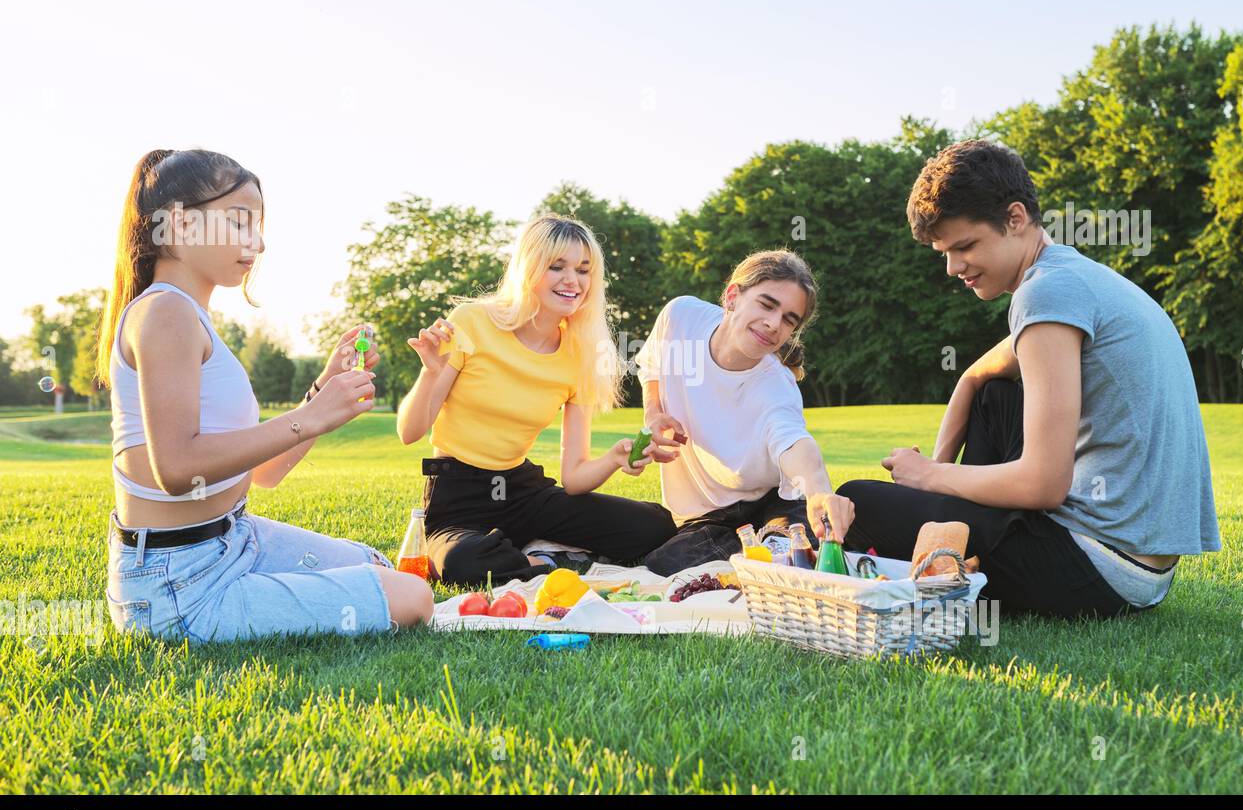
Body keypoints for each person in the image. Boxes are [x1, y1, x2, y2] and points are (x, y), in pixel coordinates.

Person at [836, 139, 1220, 617]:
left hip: (1100, 569)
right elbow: (976, 378)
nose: (954, 267)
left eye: (965, 246)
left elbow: (1044, 485)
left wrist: (930, 474)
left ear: (1015, 218)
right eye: (944, 253)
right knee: (995, 397)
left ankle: (954, 559)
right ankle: (959, 538)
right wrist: (933, 483)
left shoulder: (1046, 293)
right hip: (1143, 568)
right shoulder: (1074, 277)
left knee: (855, 501)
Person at [100, 150, 434, 643]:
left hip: (234, 539)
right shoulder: (165, 313)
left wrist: (320, 391)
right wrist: (312, 417)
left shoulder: (188, 315)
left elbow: (265, 473)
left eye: (258, 225)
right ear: (178, 225)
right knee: (413, 598)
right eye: (239, 223)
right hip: (181, 584)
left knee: (381, 567)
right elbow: (176, 470)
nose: (257, 242)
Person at [396, 214, 677, 585]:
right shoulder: (472, 321)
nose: (572, 281)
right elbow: (410, 431)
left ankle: (525, 548)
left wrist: (613, 458)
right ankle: (537, 556)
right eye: (556, 266)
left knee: (653, 526)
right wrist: (430, 373)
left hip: (522, 491)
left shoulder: (582, 353)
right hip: (458, 497)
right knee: (465, 563)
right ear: (528, 269)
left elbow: (573, 479)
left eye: (583, 270)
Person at [634, 250, 855, 575]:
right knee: (661, 566)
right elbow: (651, 366)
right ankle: (754, 552)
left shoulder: (775, 386)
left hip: (776, 502)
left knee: (787, 552)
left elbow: (795, 444)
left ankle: (770, 550)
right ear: (733, 296)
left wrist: (819, 490)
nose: (773, 324)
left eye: (789, 319)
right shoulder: (681, 317)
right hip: (708, 517)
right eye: (767, 305)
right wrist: (653, 414)